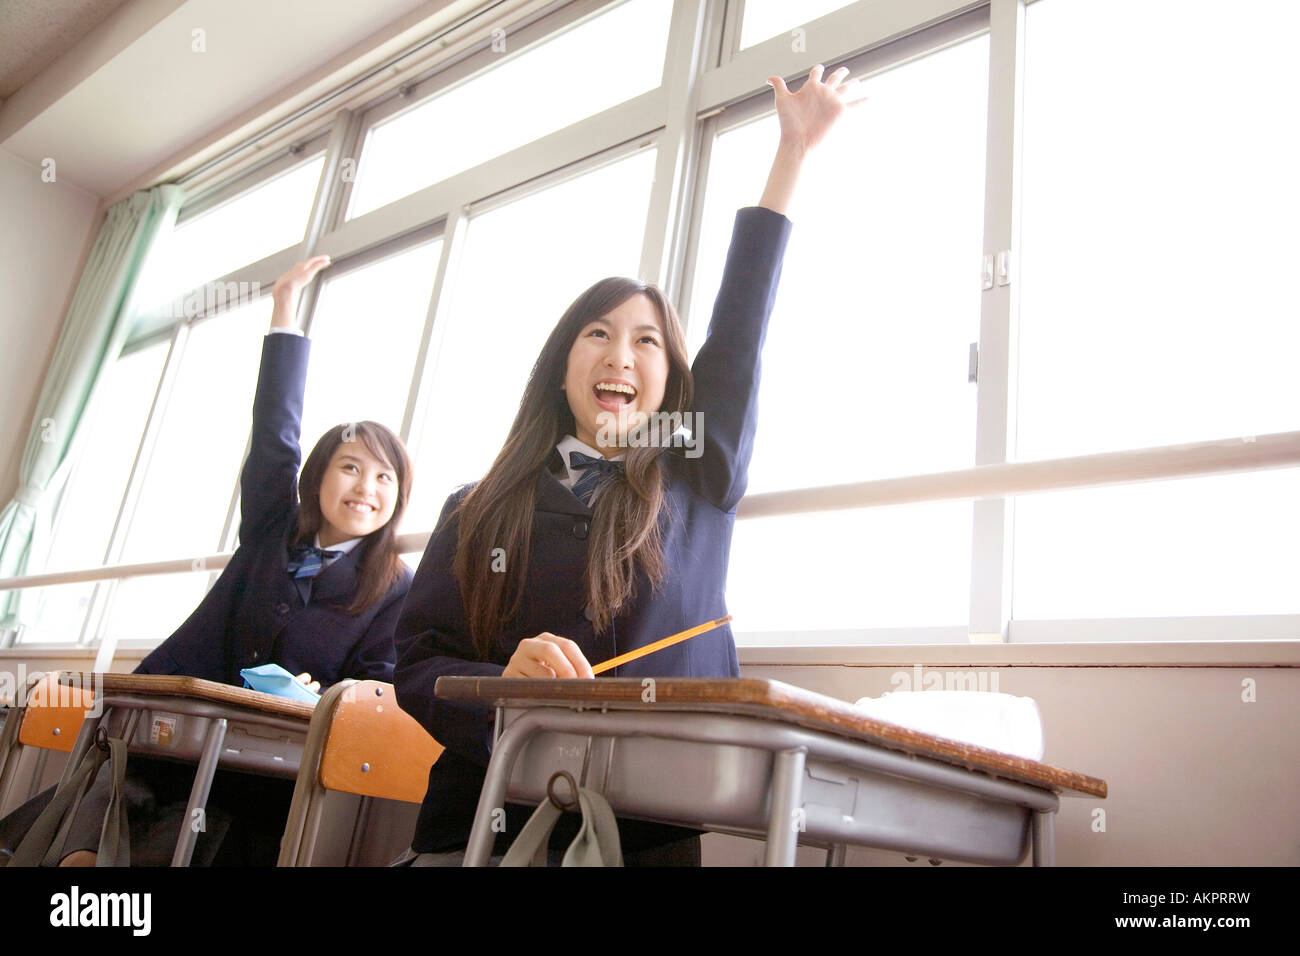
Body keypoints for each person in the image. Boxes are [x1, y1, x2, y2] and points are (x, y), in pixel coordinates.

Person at [393, 64, 856, 865]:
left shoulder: (697, 472)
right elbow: (416, 663)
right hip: (482, 818)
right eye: (598, 334)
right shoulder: (475, 507)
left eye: (647, 341)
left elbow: (740, 330)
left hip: (646, 829)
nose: (620, 356)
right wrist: (501, 682)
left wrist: (791, 156)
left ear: (671, 382)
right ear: (561, 368)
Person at [10, 255, 416, 866]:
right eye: (351, 467)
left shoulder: (395, 586)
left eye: (385, 477)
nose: (366, 488)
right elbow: (276, 432)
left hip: (262, 774)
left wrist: (325, 695)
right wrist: (285, 313)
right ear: (318, 478)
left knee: (195, 833)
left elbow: (377, 684)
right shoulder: (272, 528)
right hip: (171, 735)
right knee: (103, 818)